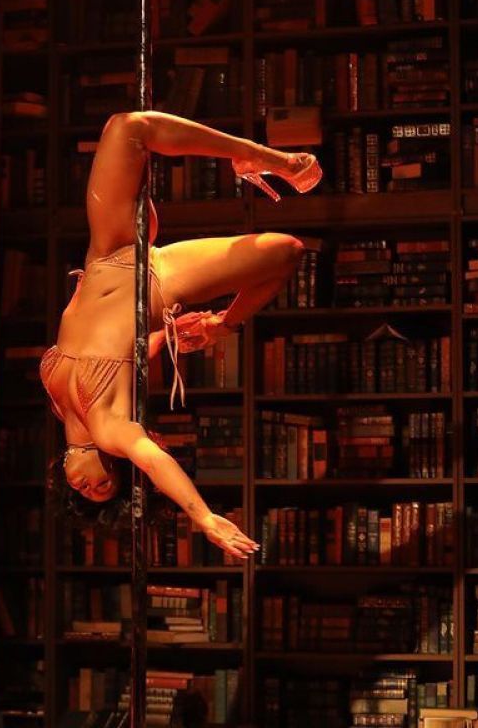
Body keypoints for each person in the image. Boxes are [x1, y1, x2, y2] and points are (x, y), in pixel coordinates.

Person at [40, 111, 322, 560]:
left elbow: (119, 355)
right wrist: (203, 516)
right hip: (158, 279)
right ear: (117, 467)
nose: (90, 485)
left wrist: (163, 339)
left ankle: (258, 159)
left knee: (126, 127)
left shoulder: (61, 406)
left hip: (108, 251)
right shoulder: (111, 429)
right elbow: (153, 459)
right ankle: (226, 322)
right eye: (104, 487)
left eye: (85, 491)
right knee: (287, 251)